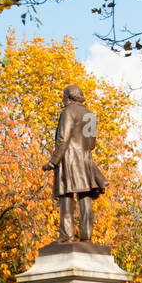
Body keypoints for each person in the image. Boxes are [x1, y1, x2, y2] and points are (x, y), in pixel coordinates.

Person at [43, 84, 107, 242]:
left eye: (64, 97)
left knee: (66, 196)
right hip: (85, 160)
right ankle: (87, 236)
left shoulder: (68, 112)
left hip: (69, 160)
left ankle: (66, 236)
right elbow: (92, 143)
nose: (64, 101)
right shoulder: (90, 115)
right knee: (85, 197)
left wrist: (53, 162)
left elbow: (63, 139)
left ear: (68, 98)